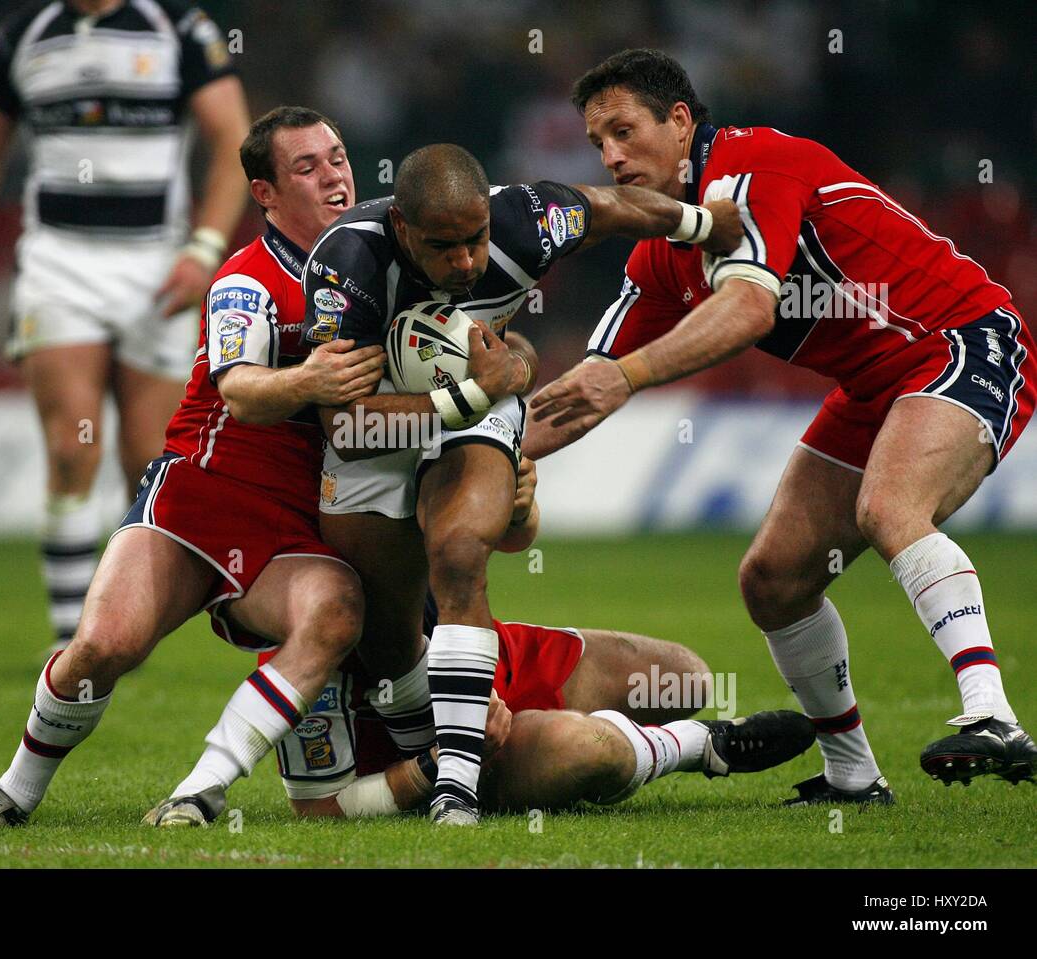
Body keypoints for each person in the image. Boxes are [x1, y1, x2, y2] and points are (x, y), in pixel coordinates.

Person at [526, 48, 1036, 802]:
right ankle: (853, 775)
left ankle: (994, 716)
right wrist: (484, 450)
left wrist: (630, 375)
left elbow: (749, 307)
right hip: (873, 385)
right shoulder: (662, 258)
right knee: (773, 579)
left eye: (625, 131)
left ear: (679, 120)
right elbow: (583, 388)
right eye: (598, 142)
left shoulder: (752, 167)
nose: (610, 155)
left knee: (891, 507)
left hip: (962, 337)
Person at [0, 106, 385, 829]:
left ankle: (200, 791)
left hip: (290, 527)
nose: (333, 176)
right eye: (306, 167)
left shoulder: (380, 262)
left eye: (337, 157)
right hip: (196, 496)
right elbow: (240, 390)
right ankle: (14, 790)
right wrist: (310, 380)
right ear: (266, 194)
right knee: (101, 646)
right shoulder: (244, 280)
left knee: (335, 609)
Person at [300, 145, 744, 823]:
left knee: (678, 673)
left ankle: (461, 754)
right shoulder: (348, 264)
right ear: (403, 229)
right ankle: (460, 767)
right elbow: (348, 429)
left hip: (470, 417)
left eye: (474, 240)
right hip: (381, 431)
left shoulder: (526, 219)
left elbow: (613, 206)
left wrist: (700, 224)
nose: (466, 263)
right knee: (405, 632)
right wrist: (481, 386)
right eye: (443, 247)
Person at [0, 0, 250, 652]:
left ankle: (139, 615)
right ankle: (76, 636)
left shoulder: (177, 28)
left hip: (157, 264)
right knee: (72, 448)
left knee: (150, 463)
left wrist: (205, 249)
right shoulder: (23, 36)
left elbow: (231, 138)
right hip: (59, 264)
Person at [266, 461, 815, 818]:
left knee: (683, 679)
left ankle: (655, 729)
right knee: (587, 749)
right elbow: (319, 812)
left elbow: (513, 536)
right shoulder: (314, 620)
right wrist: (437, 763)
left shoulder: (401, 450)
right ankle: (699, 746)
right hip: (433, 745)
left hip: (486, 652)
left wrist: (520, 500)